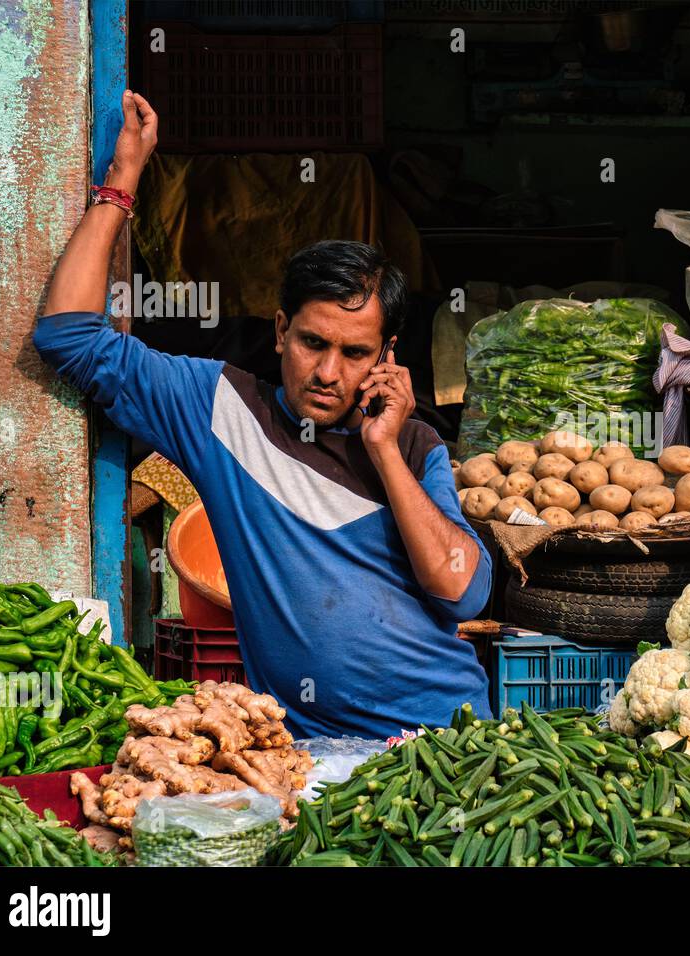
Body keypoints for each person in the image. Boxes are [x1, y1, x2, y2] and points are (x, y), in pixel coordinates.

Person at [34, 91, 493, 739]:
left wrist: (385, 452)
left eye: (355, 352)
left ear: (386, 355)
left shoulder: (416, 446)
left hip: (448, 734)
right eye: (313, 343)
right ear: (281, 332)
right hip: (311, 748)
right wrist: (122, 184)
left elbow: (463, 594)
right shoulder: (221, 407)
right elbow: (69, 337)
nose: (329, 371)